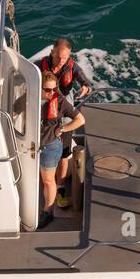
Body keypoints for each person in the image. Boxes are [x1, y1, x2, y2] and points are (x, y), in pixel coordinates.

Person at [39, 38, 92, 207]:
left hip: (63, 107)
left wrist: (85, 86)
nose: (61, 61)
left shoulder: (72, 66)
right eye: (58, 57)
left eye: (65, 58)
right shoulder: (40, 65)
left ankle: (60, 186)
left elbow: (85, 81)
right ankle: (46, 177)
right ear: (52, 53)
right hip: (44, 105)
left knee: (64, 150)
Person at [38, 72, 84, 229]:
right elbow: (15, 111)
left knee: (48, 181)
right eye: (47, 90)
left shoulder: (60, 101)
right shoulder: (29, 97)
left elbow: (80, 119)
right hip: (30, 145)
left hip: (50, 146)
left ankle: (48, 211)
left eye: (54, 89)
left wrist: (62, 129)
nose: (52, 93)